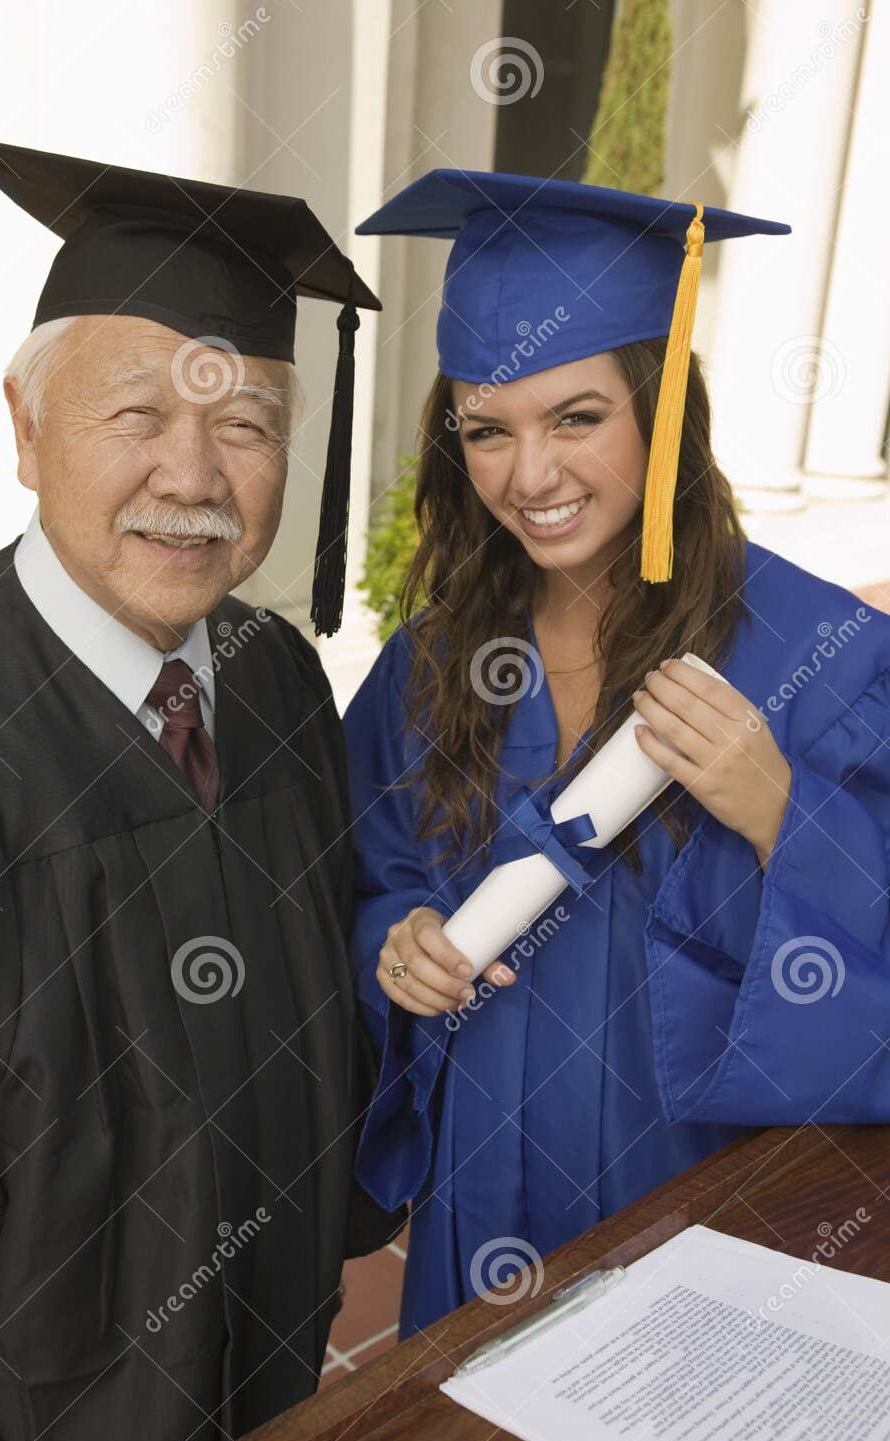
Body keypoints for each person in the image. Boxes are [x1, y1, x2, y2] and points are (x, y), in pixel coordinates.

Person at [0, 135, 399, 1441]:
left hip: (244, 1389)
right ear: (25, 431)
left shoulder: (273, 682)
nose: (193, 478)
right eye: (134, 413)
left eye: (250, 426)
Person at [342, 170, 890, 1337]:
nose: (527, 477)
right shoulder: (433, 662)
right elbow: (375, 870)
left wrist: (781, 814)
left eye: (575, 418)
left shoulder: (824, 656)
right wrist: (394, 950)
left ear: (660, 407)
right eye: (486, 430)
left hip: (696, 1198)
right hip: (477, 1197)